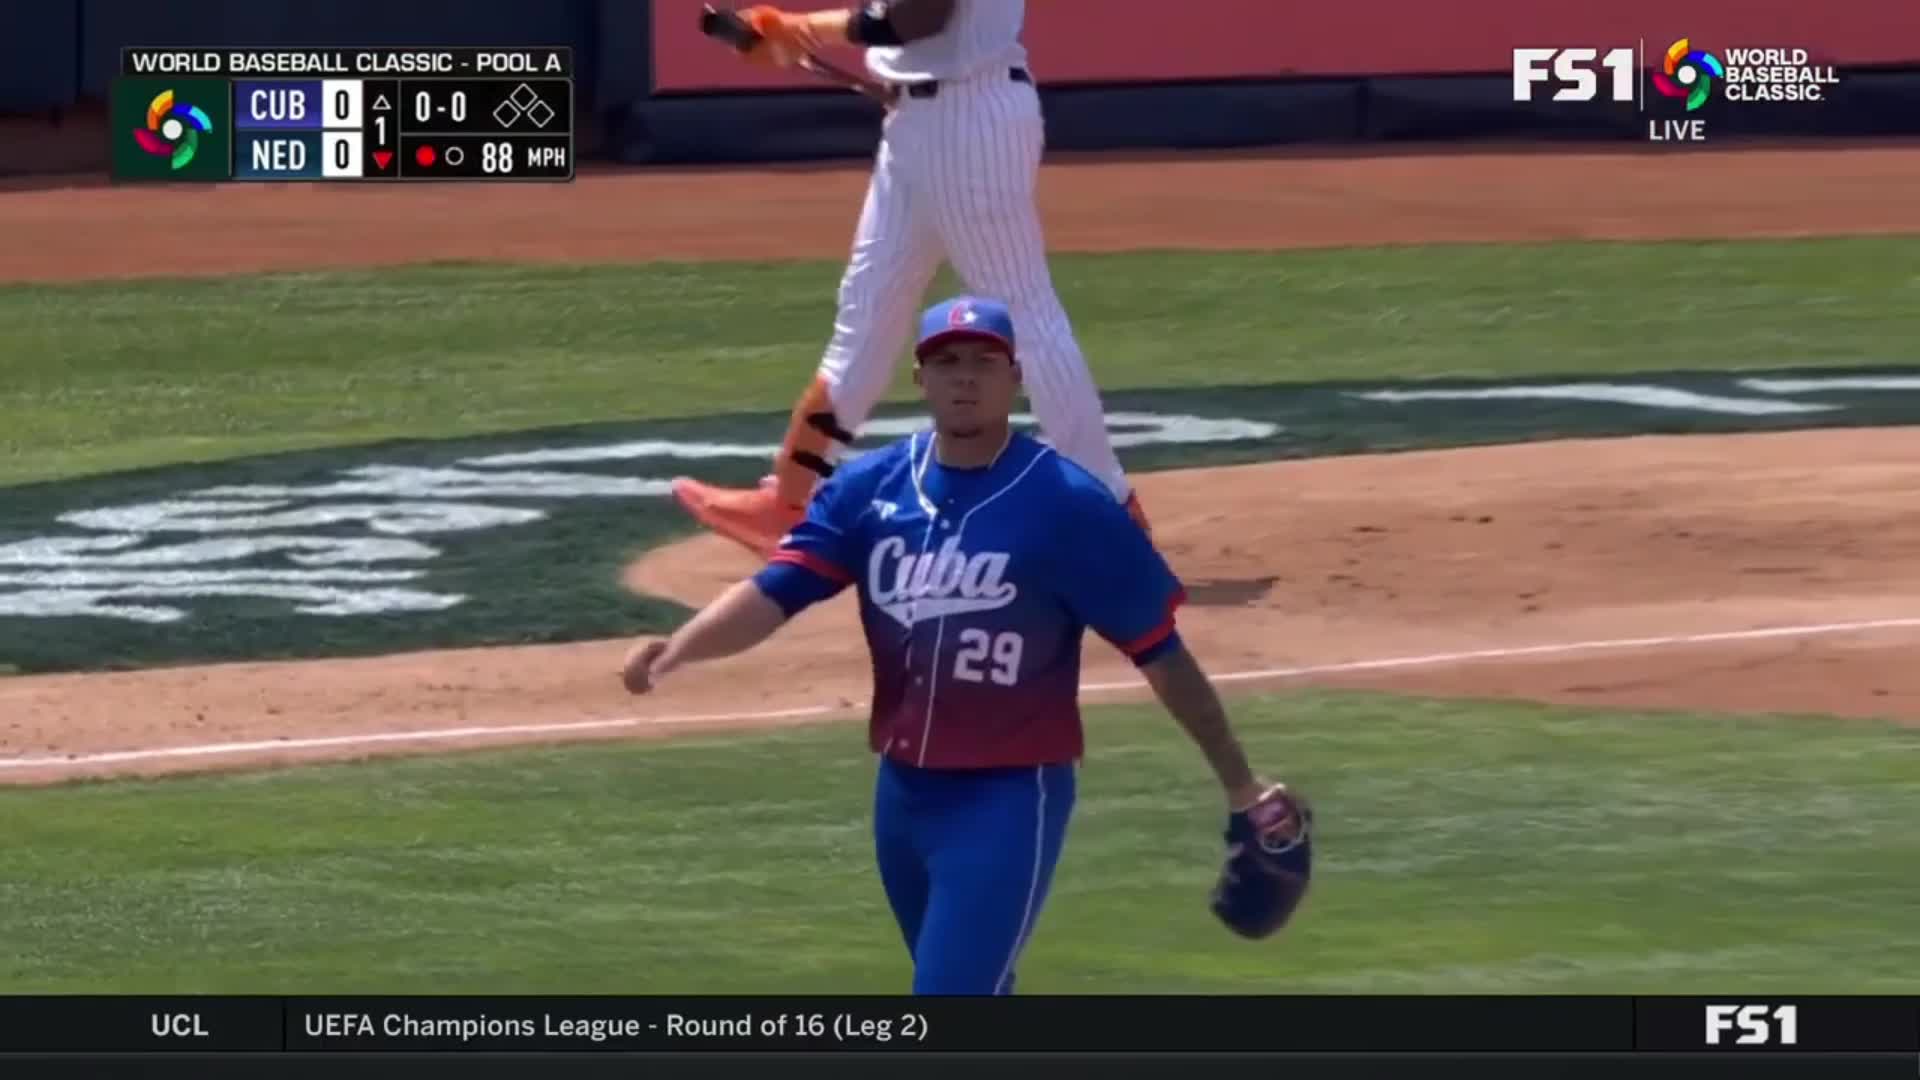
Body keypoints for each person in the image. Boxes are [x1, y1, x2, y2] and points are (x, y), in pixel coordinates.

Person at [622, 296, 1310, 994]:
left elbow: (1160, 652)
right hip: (903, 796)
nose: (965, 378)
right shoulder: (870, 488)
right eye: (947, 363)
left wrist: (1238, 785)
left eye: (984, 362)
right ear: (921, 380)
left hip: (1010, 798)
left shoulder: (1069, 506)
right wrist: (676, 649)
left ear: (1013, 377)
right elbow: (777, 590)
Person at [670, 0, 1153, 559]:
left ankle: (1111, 512)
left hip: (967, 121)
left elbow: (914, 16)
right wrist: (797, 36)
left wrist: (801, 30)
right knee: (868, 313)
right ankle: (790, 504)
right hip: (924, 121)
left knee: (1024, 314)